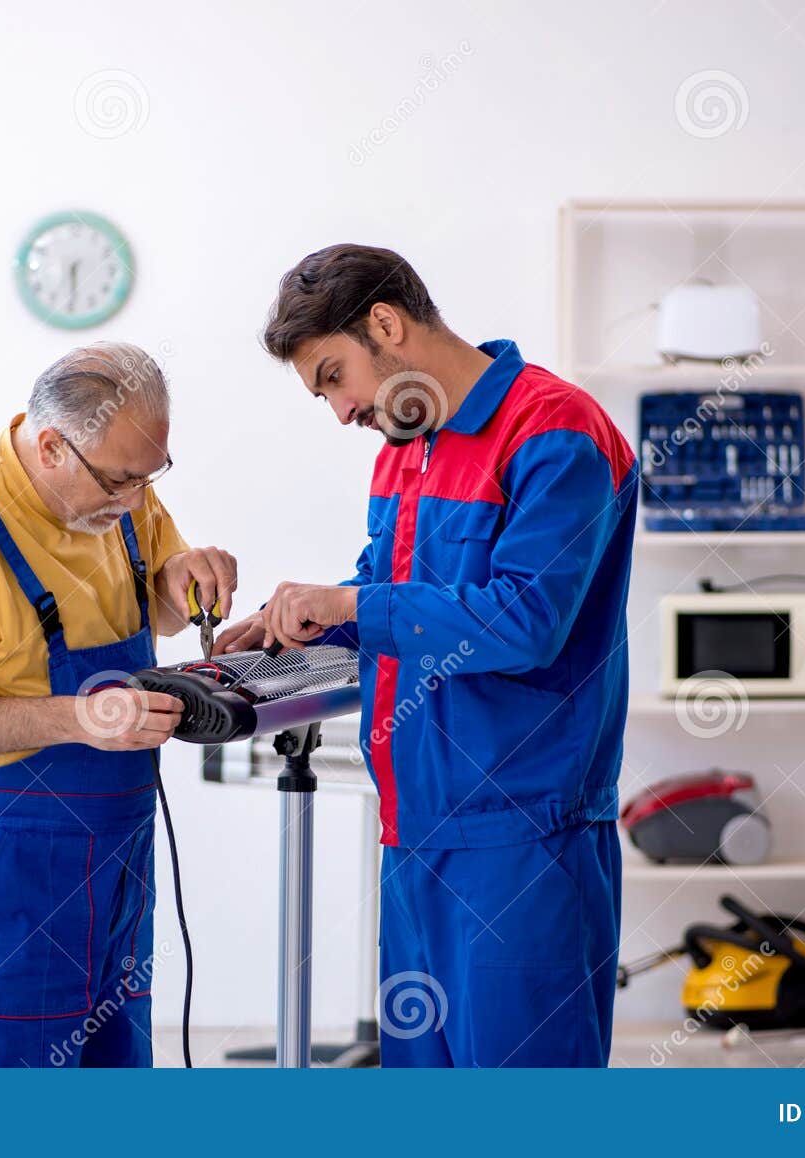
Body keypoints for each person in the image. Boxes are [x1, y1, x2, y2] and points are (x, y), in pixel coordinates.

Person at [216, 245, 637, 1067]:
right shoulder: (403, 451)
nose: (340, 410)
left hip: (524, 842)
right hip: (414, 832)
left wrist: (350, 606)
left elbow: (526, 621)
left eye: (335, 376)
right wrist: (294, 623)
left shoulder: (554, 430)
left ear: (385, 325)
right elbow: (389, 594)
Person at [0, 342, 236, 1067]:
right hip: (4, 865)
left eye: (149, 477)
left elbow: (159, 612)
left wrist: (182, 577)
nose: (135, 500)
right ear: (50, 446)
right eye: (120, 482)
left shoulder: (118, 486)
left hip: (118, 853)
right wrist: (80, 718)